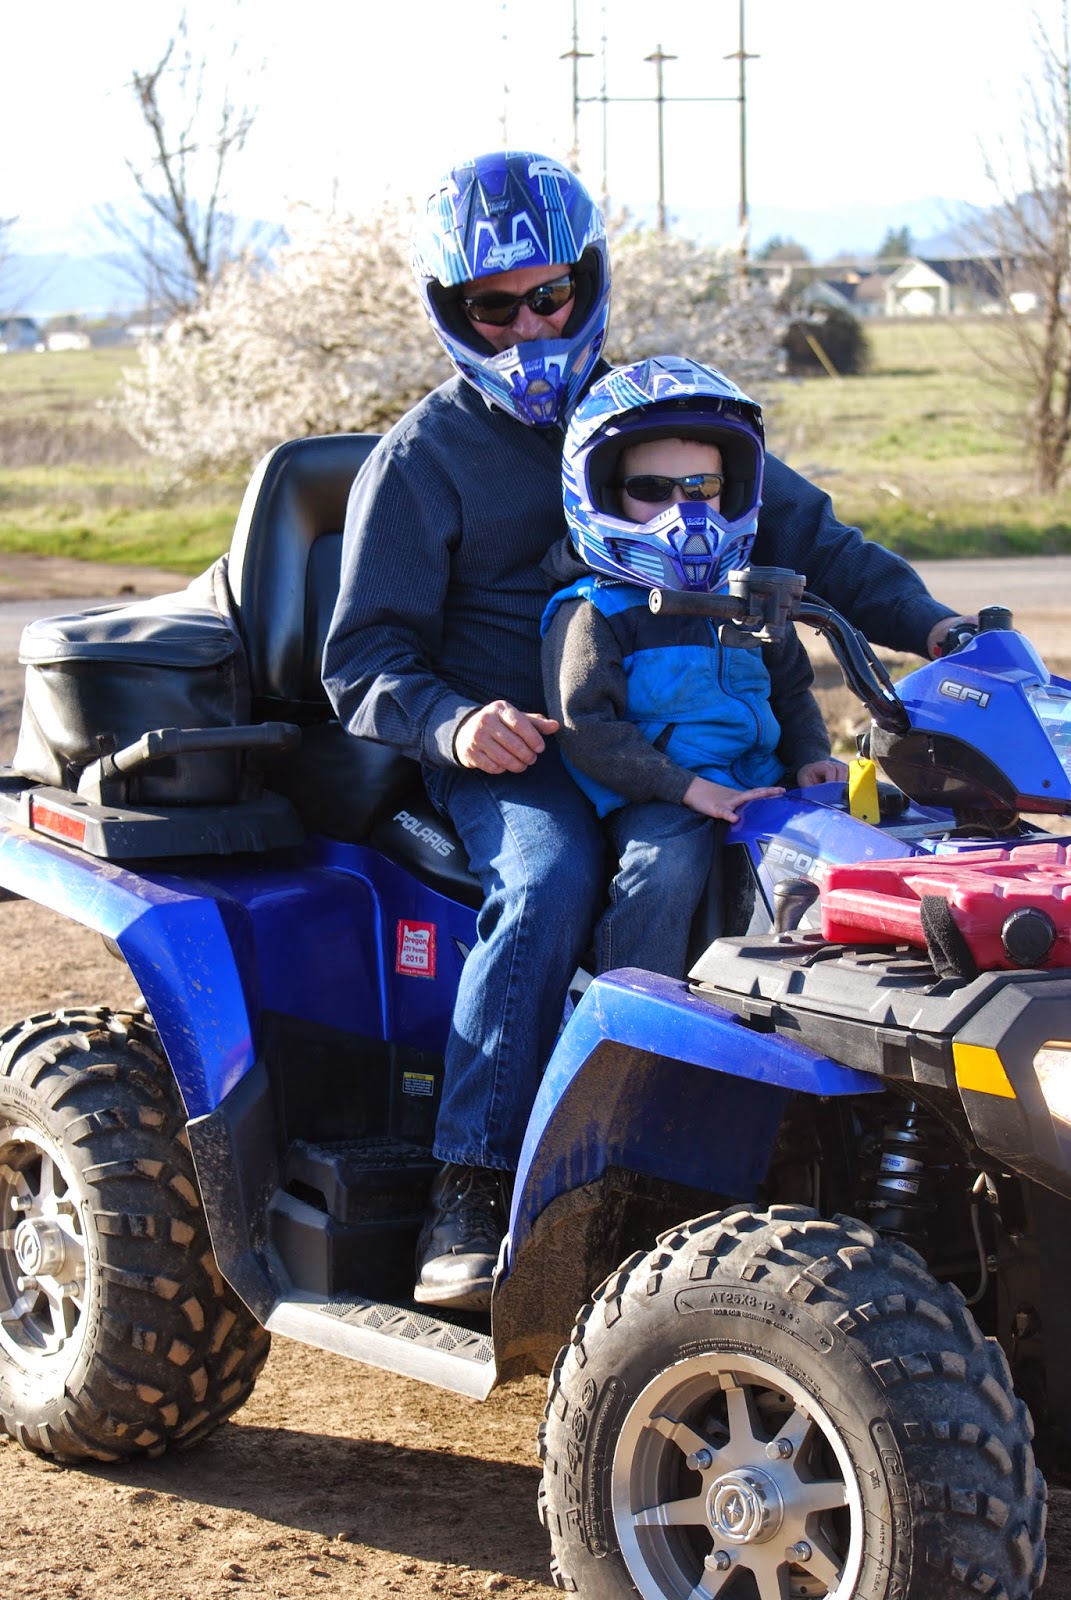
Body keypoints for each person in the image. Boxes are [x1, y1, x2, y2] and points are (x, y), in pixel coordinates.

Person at [322, 148, 971, 1314]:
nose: (528, 326)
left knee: (843, 868)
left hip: (673, 735)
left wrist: (939, 626)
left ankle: (816, 1170)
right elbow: (361, 657)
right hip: (523, 748)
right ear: (451, 314)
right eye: (493, 306)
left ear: (587, 282)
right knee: (550, 875)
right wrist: (458, 723)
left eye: (549, 296)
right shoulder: (423, 460)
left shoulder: (657, 419)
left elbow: (816, 540)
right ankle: (473, 1181)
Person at [541, 354, 847, 980]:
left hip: (762, 782)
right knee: (666, 866)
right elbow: (588, 730)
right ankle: (632, 1009)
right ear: (600, 494)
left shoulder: (748, 598)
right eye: (651, 490)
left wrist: (810, 753)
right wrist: (690, 789)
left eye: (701, 488)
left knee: (849, 855)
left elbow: (790, 690)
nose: (681, 510)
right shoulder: (593, 611)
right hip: (662, 796)